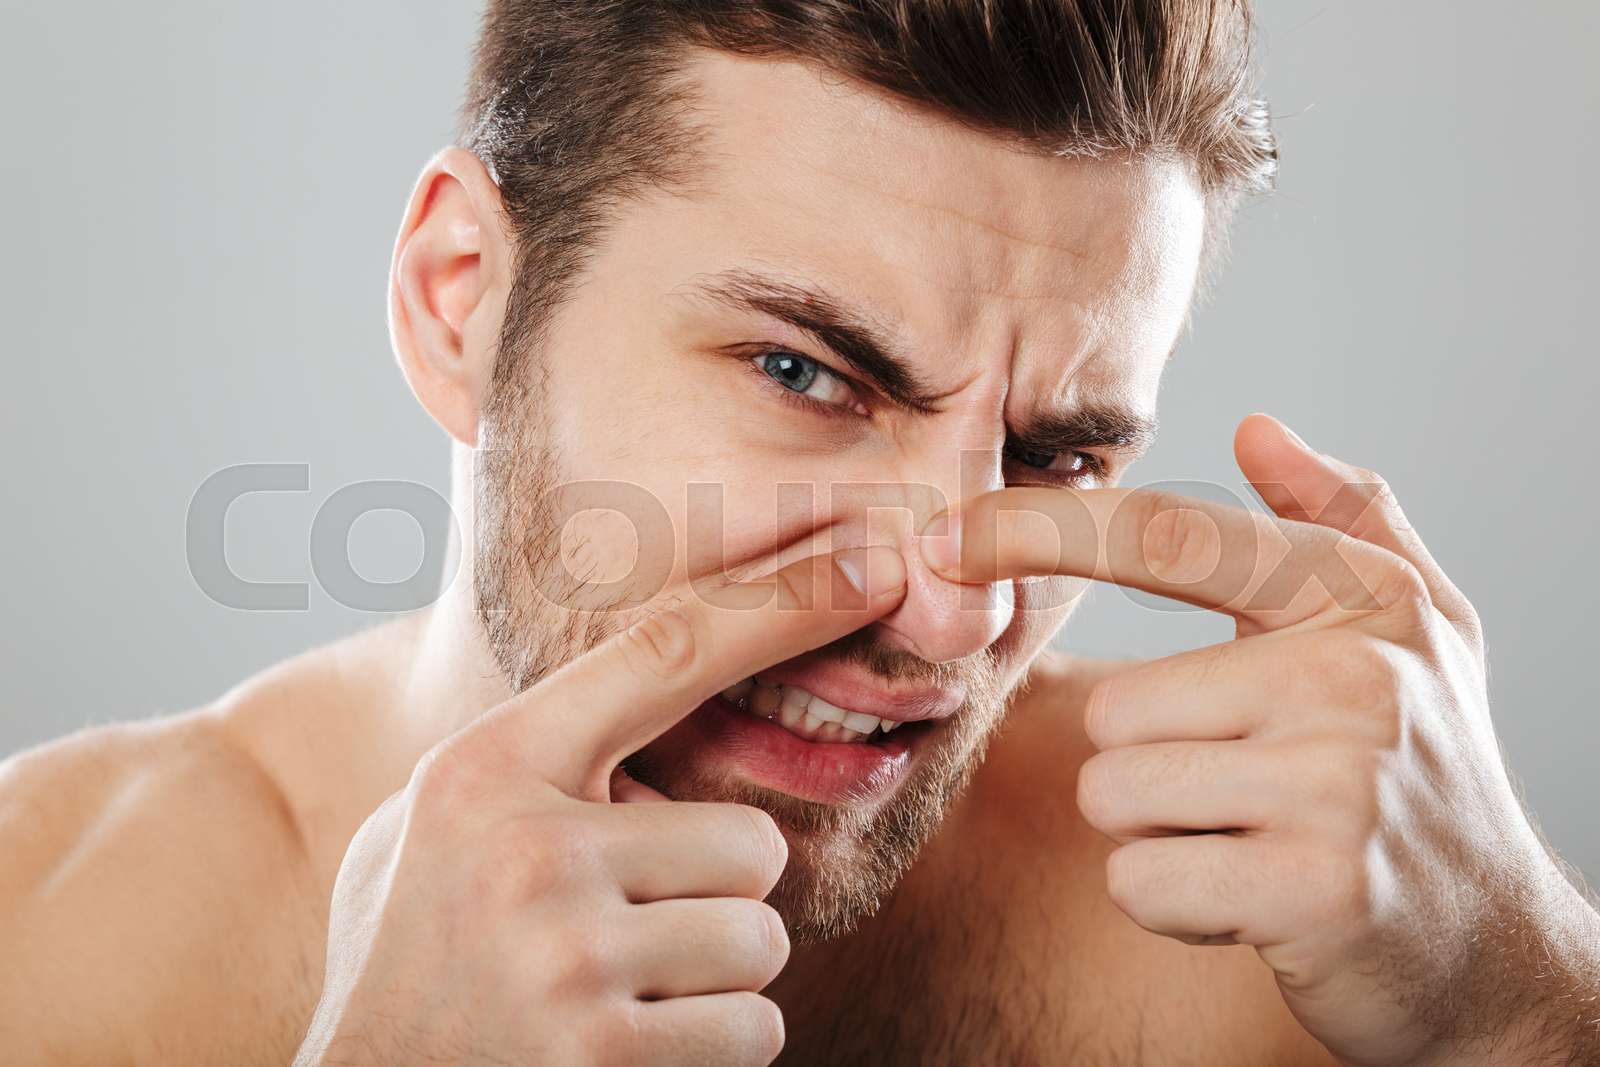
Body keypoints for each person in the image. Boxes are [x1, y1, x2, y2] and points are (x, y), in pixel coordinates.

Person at [2, 2, 1596, 1064]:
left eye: (1056, 453)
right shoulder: (49, 946)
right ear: (460, 305)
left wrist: (1522, 1004)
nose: (950, 608)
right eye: (805, 374)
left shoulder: (1275, 951)